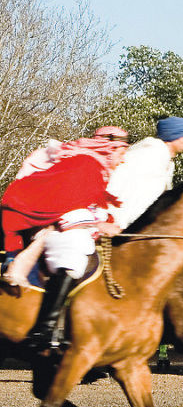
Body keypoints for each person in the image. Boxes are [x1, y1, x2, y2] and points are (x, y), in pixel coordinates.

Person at [1, 127, 130, 350]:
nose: (123, 159)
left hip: (58, 222)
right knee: (73, 257)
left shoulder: (95, 167)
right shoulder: (86, 165)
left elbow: (83, 203)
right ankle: (45, 330)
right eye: (121, 152)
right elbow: (66, 208)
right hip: (44, 224)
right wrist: (100, 223)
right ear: (111, 148)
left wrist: (105, 219)